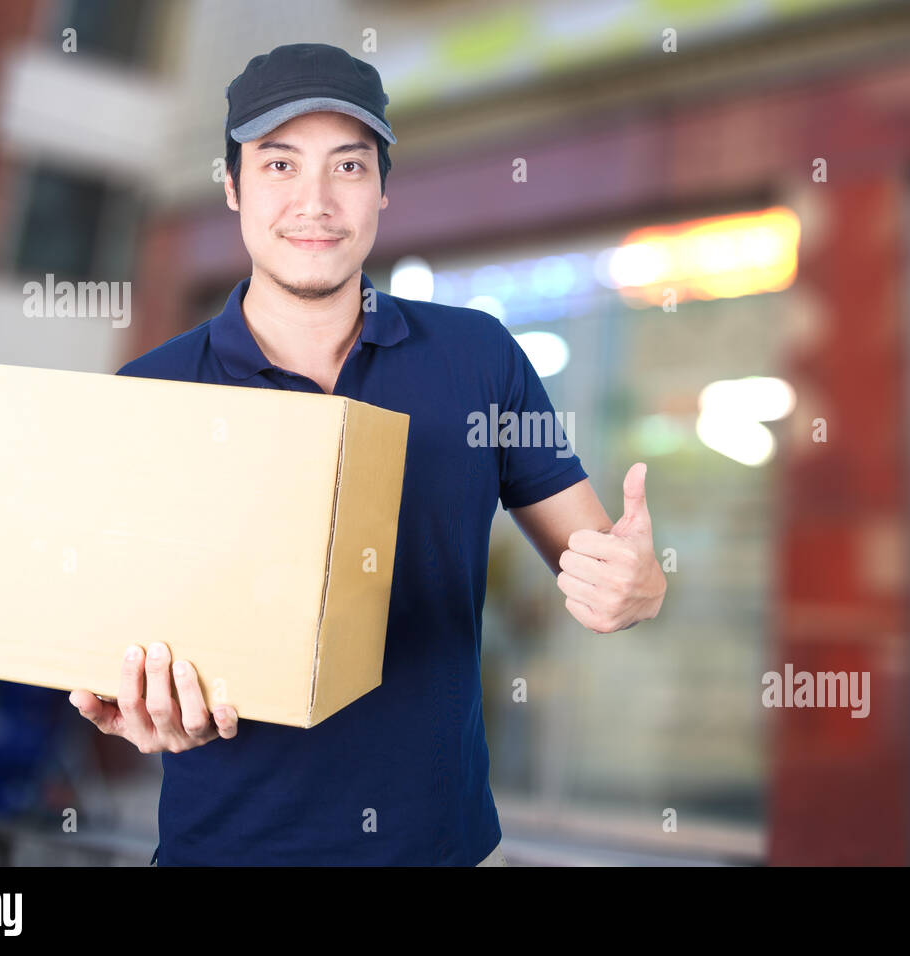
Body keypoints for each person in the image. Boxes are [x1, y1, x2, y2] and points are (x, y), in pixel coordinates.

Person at [67, 42, 667, 866]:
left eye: (347, 166)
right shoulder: (149, 394)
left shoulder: (478, 358)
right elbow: (108, 651)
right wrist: (130, 706)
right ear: (233, 187)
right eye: (279, 164)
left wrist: (640, 586)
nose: (314, 201)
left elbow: (598, 561)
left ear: (383, 188)